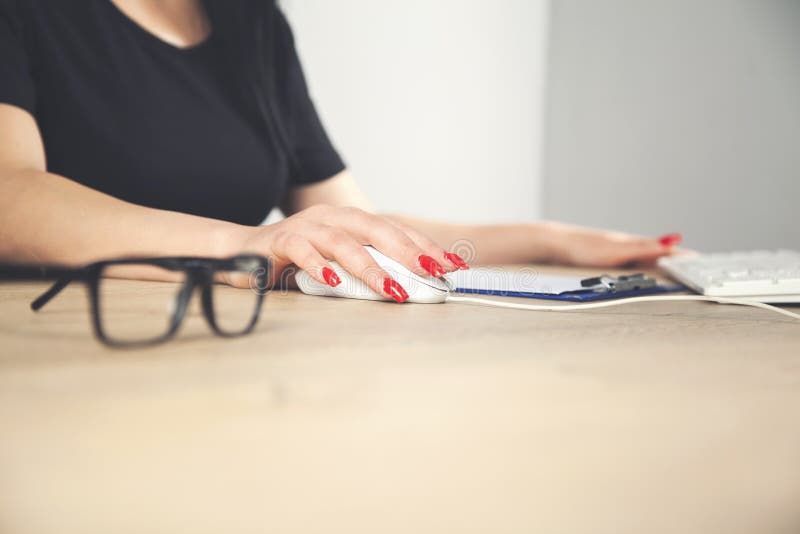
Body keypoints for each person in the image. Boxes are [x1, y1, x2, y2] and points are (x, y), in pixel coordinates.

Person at [0, 0, 681, 303]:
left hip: (229, 360)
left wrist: (549, 242)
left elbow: (350, 228)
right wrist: (249, 248)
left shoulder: (255, 27)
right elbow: (11, 195)